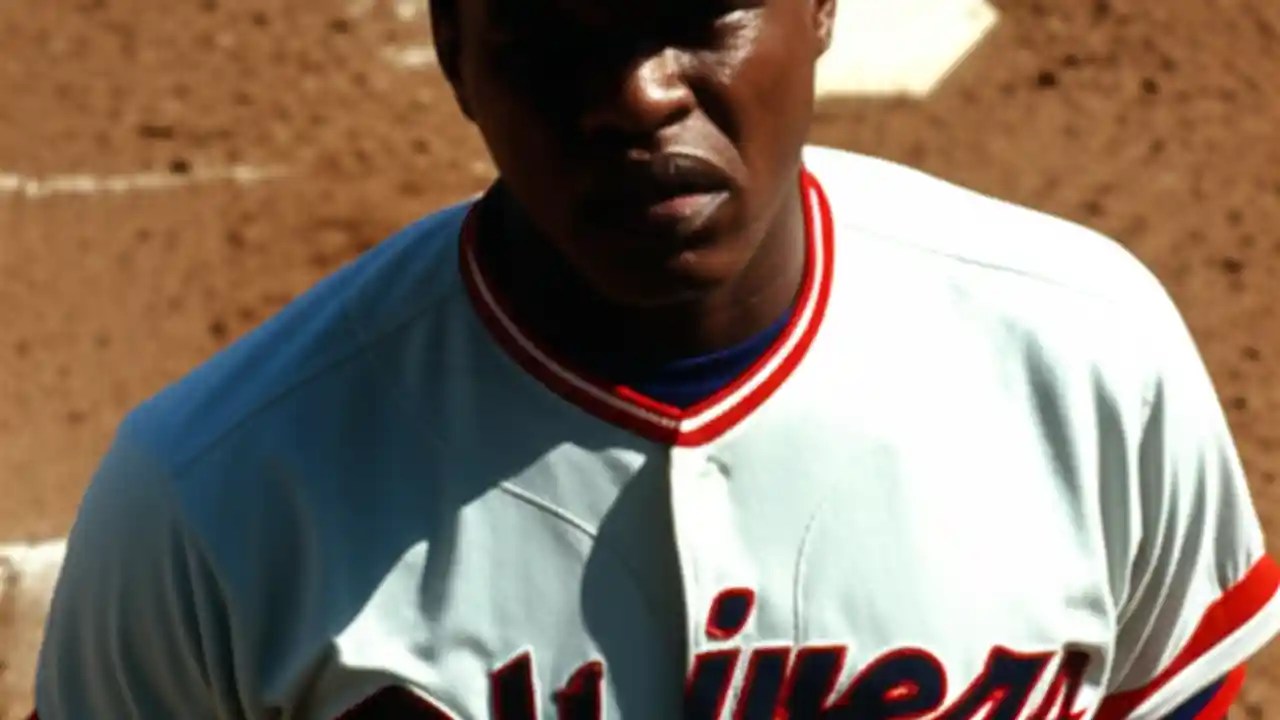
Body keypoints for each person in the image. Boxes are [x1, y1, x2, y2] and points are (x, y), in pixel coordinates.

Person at [31, 0, 1279, 717]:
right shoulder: (212, 494)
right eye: (552, 32)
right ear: (456, 46)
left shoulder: (1079, 357)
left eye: (693, 13)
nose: (632, 96)